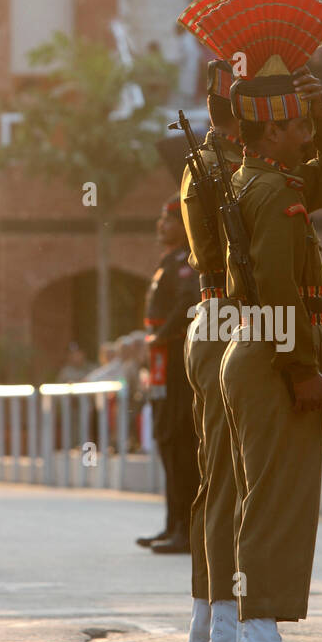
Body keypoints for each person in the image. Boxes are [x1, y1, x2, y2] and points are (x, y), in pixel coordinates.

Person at [198, 0, 322, 642]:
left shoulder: (259, 178)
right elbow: (277, 292)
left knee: (255, 497)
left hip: (252, 353)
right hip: (271, 357)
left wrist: (319, 109)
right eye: (295, 123)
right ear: (270, 131)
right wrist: (300, 367)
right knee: (275, 501)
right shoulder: (277, 194)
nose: (304, 132)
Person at [175, 56, 247, 642]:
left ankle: (205, 631)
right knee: (230, 484)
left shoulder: (205, 166)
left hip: (212, 318)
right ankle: (222, 636)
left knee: (216, 482)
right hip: (232, 320)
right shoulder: (226, 170)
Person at [138, 199, 199, 555]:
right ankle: (173, 523)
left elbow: (188, 303)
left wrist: (162, 336)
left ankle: (187, 530)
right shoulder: (167, 262)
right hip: (161, 363)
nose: (161, 225)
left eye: (169, 220)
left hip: (177, 361)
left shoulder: (186, 261)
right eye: (160, 219)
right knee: (166, 441)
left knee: (180, 443)